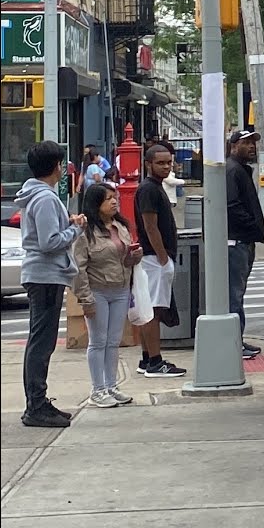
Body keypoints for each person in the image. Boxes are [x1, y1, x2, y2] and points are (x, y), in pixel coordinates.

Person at [15, 141, 86, 427]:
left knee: (40, 341)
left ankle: (38, 401)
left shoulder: (39, 195)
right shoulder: (45, 198)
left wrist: (65, 224)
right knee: (41, 342)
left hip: (44, 275)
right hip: (45, 275)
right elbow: (49, 242)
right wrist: (75, 228)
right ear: (57, 167)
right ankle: (36, 404)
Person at [72, 183, 143, 408]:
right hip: (97, 290)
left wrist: (133, 257)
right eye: (107, 199)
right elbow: (79, 268)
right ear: (95, 204)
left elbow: (124, 259)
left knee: (113, 341)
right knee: (98, 341)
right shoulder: (85, 233)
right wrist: (86, 299)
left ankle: (112, 386)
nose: (114, 202)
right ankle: (98, 389)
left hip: (121, 289)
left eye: (115, 197)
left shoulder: (120, 226)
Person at [133, 144, 186, 377]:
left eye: (169, 163)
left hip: (155, 258)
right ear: (148, 164)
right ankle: (155, 361)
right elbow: (150, 226)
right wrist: (163, 257)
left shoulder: (154, 187)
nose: (166, 166)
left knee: (149, 308)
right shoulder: (148, 190)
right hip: (154, 259)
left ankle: (147, 359)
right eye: (160, 163)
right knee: (153, 310)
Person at [226, 130, 264, 359]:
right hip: (237, 241)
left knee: (238, 294)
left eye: (253, 143)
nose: (251, 146)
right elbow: (232, 205)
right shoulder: (232, 171)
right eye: (246, 142)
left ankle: (237, 340)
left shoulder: (240, 170)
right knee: (234, 295)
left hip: (244, 240)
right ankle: (234, 343)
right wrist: (251, 225)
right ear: (233, 146)